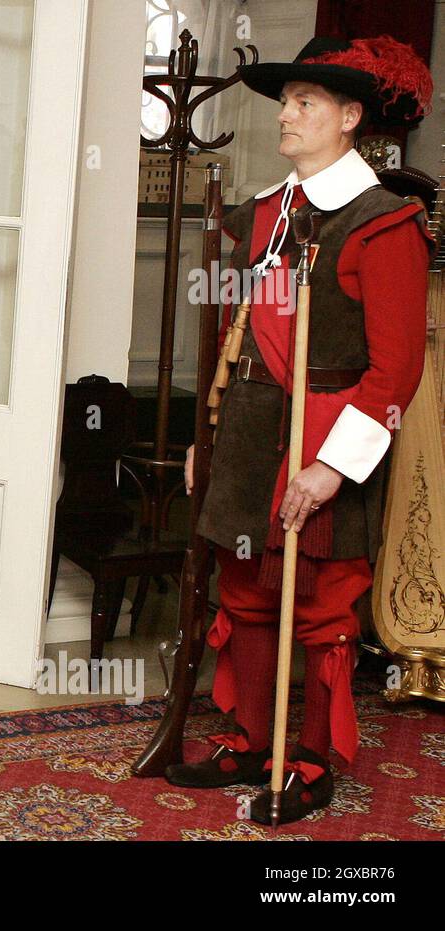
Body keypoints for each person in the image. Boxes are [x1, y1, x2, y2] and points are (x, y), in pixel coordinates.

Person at [168, 36, 433, 824]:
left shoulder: (387, 224)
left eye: (305, 103)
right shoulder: (266, 214)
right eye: (286, 102)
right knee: (247, 591)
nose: (286, 114)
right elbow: (242, 335)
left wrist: (332, 469)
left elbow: (395, 373)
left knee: (320, 603)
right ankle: (253, 739)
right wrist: (207, 434)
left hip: (326, 436)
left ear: (350, 118)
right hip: (251, 427)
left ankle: (310, 757)